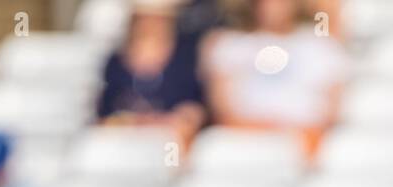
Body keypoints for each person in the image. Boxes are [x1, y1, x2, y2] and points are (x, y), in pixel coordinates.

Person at [201, 0, 348, 156]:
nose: (274, 6)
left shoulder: (321, 46)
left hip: (303, 146)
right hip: (245, 144)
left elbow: (330, 114)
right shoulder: (228, 45)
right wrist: (270, 132)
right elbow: (223, 111)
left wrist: (296, 138)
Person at [96, 0, 206, 148]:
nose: (152, 22)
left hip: (171, 142)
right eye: (145, 16)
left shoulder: (186, 56)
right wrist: (134, 123)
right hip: (125, 144)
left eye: (158, 17)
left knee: (172, 151)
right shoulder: (115, 61)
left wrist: (166, 123)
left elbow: (194, 111)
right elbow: (105, 115)